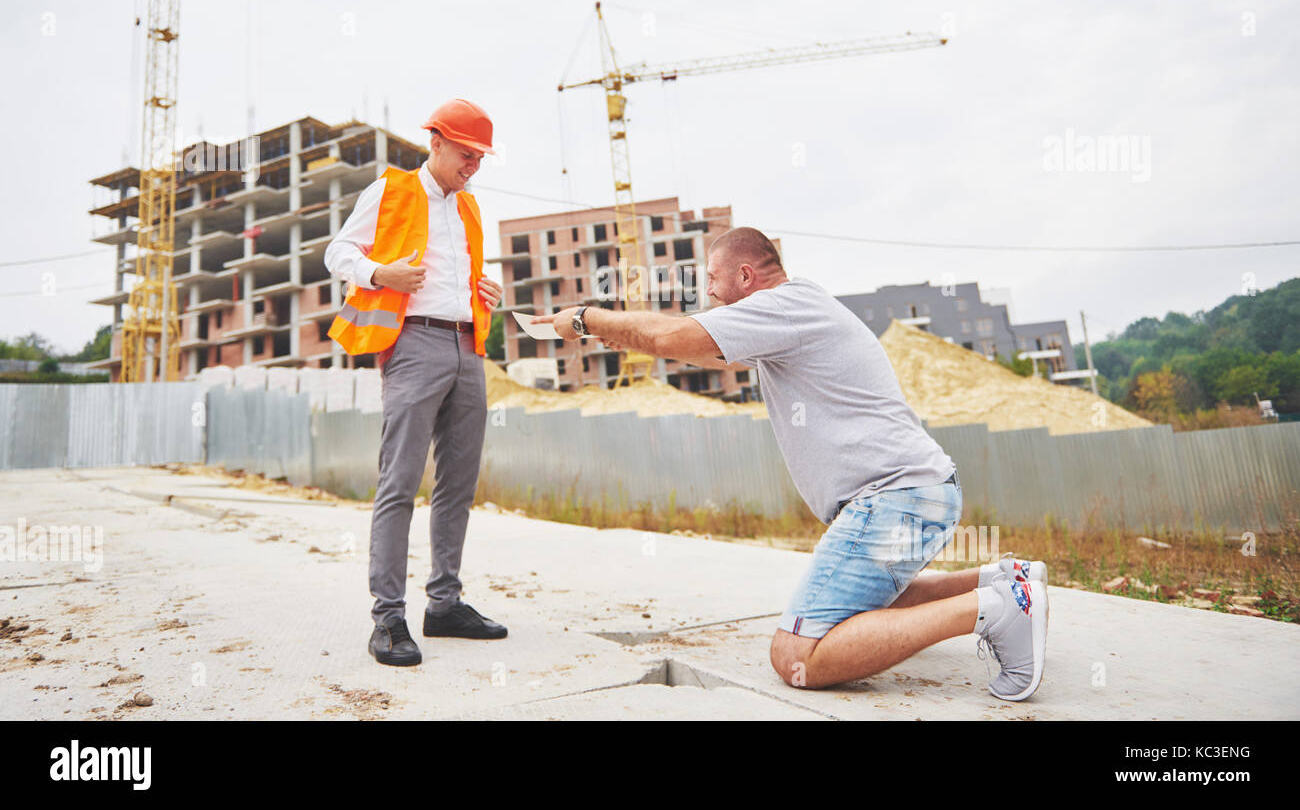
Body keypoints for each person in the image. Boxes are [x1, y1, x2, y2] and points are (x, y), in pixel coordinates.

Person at [532, 226, 1048, 699]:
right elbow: (692, 349)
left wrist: (584, 317)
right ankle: (1006, 579)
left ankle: (1001, 610)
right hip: (918, 493)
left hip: (895, 499)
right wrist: (614, 332)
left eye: (713, 279)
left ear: (745, 275)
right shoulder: (789, 316)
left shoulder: (784, 306)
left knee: (798, 655)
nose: (708, 292)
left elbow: (673, 336)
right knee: (868, 604)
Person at [324, 98, 507, 667]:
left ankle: (444, 605)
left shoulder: (470, 208)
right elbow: (337, 253)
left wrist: (485, 292)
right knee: (399, 482)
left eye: (480, 157)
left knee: (458, 482)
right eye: (465, 153)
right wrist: (382, 273)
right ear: (436, 141)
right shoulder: (392, 189)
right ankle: (388, 618)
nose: (473, 165)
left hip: (467, 347)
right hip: (413, 344)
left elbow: (462, 276)